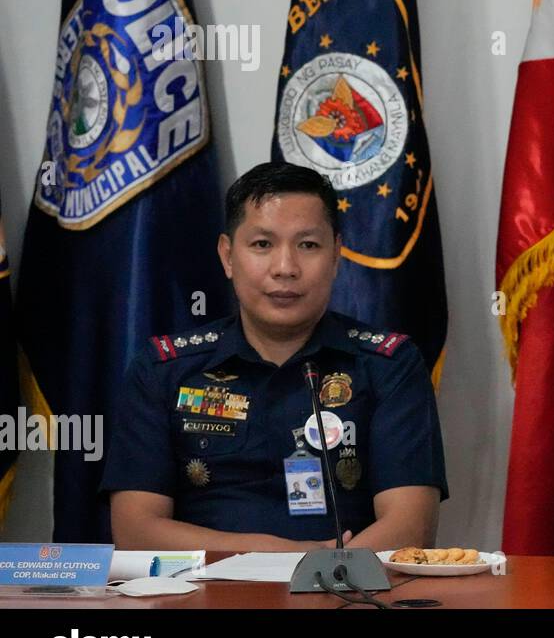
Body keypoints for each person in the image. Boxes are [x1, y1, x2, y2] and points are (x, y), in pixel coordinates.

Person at [102, 162, 447, 552]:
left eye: (308, 245)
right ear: (228, 257)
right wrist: (285, 558)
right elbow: (135, 531)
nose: (285, 268)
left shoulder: (389, 365)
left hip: (347, 595)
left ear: (336, 256)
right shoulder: (165, 368)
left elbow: (411, 528)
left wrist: (326, 574)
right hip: (203, 595)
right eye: (263, 245)